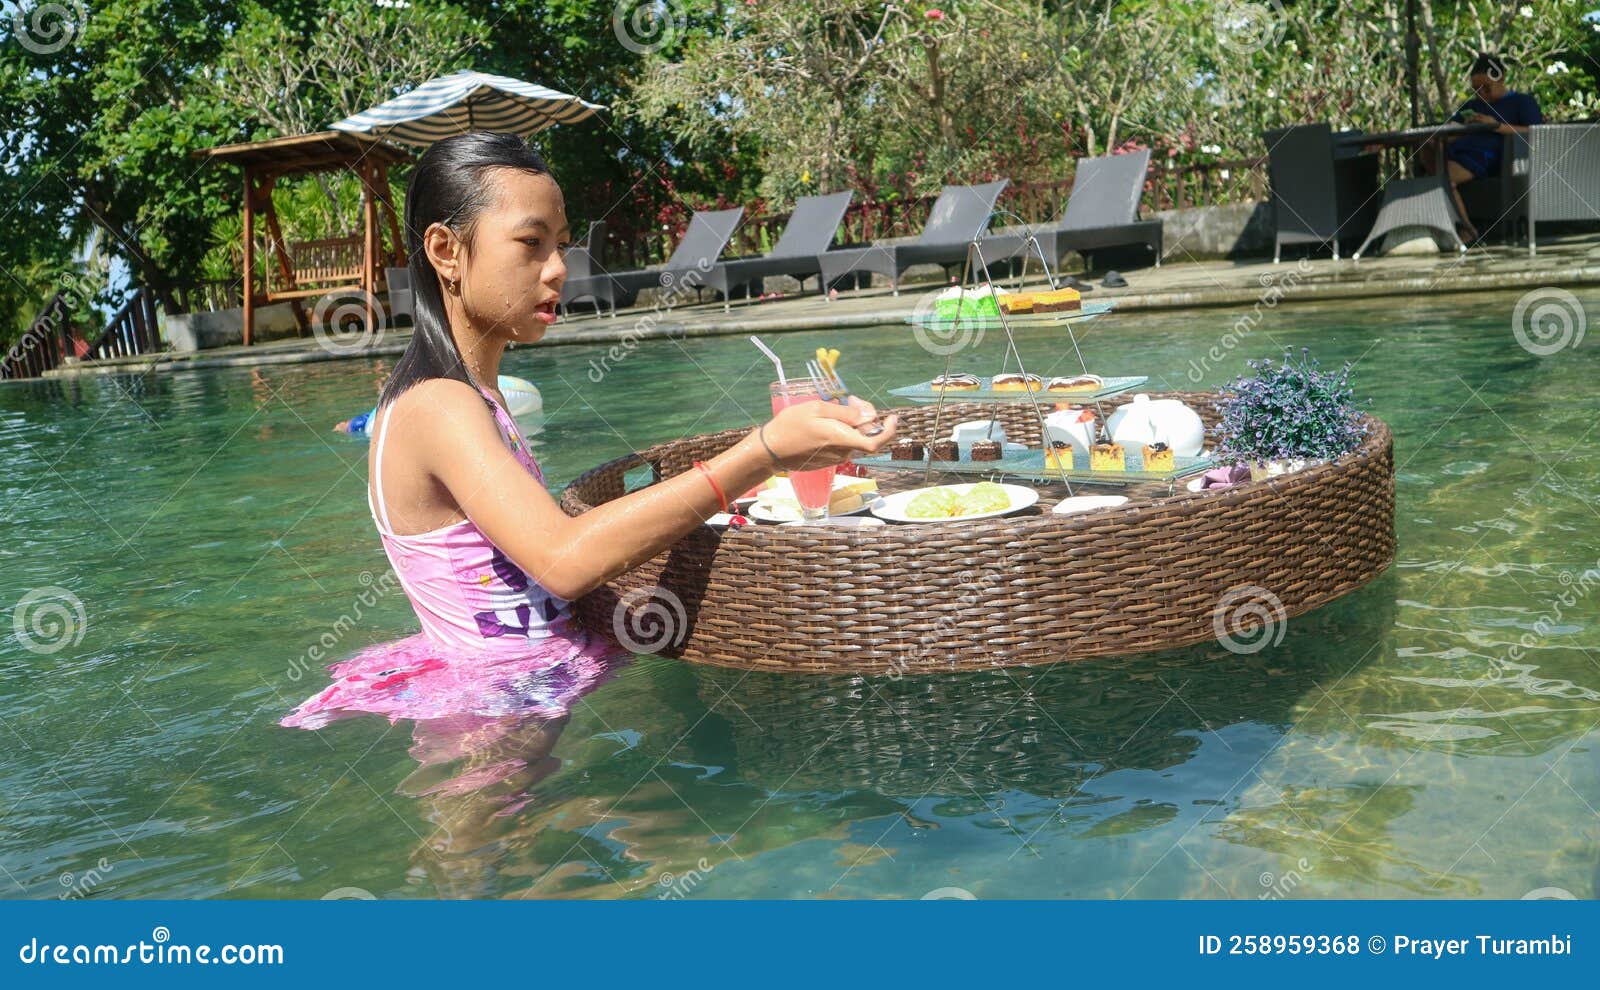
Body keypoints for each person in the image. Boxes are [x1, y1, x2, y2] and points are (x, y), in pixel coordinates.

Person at [283, 131, 897, 731]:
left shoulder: (470, 393)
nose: (557, 269)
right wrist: (763, 453)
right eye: (530, 243)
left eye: (562, 245)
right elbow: (563, 561)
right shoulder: (441, 406)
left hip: (522, 696)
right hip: (493, 720)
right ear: (446, 251)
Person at [1428, 52, 1543, 242]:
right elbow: (1449, 128)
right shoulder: (1473, 105)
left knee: (1442, 178)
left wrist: (1496, 125)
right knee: (1427, 148)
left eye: (1486, 88)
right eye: (1476, 90)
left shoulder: (1522, 102)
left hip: (1489, 156)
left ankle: (1467, 229)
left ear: (1502, 79)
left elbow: (1536, 133)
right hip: (1459, 150)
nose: (1481, 94)